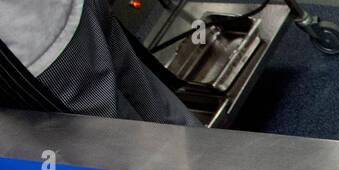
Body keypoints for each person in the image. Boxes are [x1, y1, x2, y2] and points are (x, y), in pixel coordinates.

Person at [0, 0, 197, 124]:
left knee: (131, 150)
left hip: (39, 51)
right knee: (154, 103)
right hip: (68, 13)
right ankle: (210, 166)